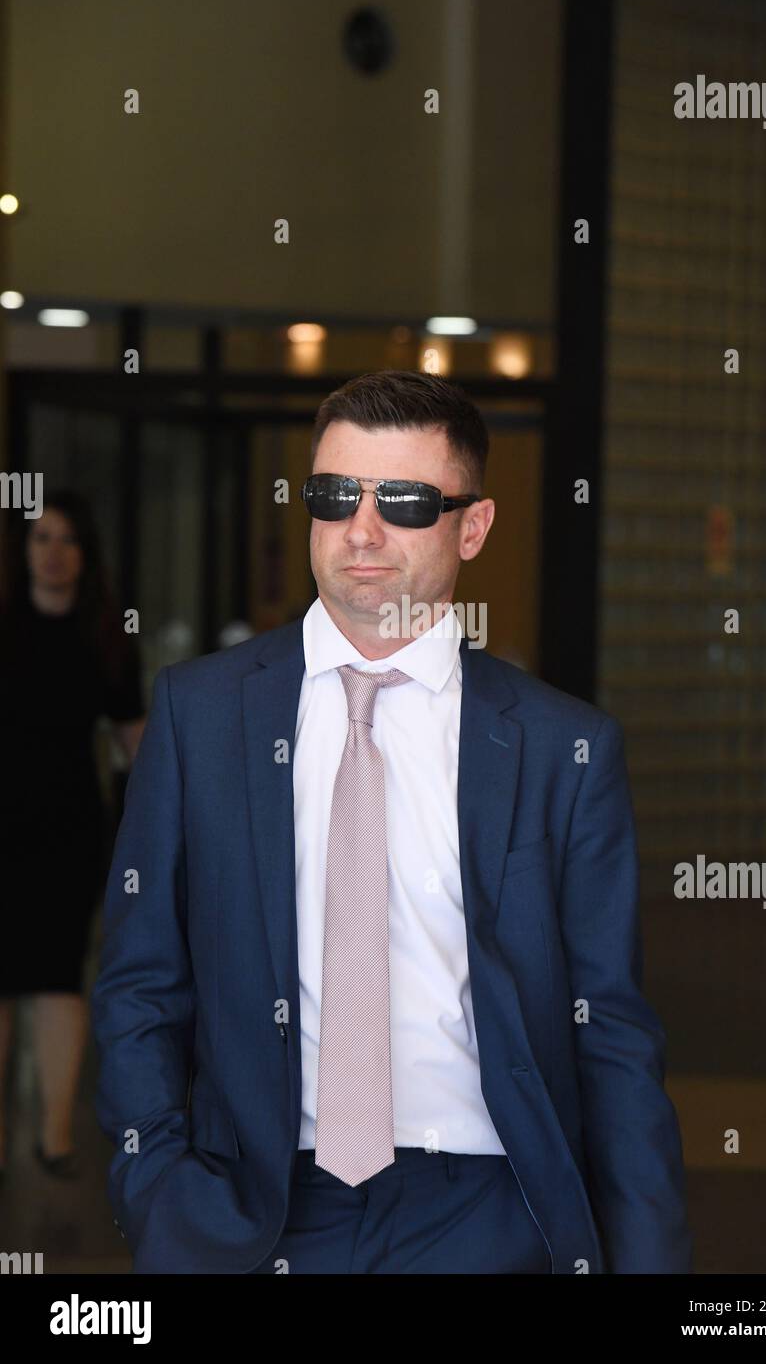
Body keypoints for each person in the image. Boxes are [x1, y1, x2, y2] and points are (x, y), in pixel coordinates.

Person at [91, 370, 692, 1273]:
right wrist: (161, 1193)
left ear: (473, 526)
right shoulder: (200, 715)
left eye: (405, 501)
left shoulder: (563, 748)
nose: (361, 530)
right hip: (254, 1209)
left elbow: (608, 1034)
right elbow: (140, 980)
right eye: (334, 497)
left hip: (489, 1211)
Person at [0, 491, 146, 1183]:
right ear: (23, 550)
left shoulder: (106, 634)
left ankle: (54, 1136)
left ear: (84, 555)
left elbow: (132, 738)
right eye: (41, 538)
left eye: (66, 540)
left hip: (66, 827)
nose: (53, 552)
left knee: (57, 976)